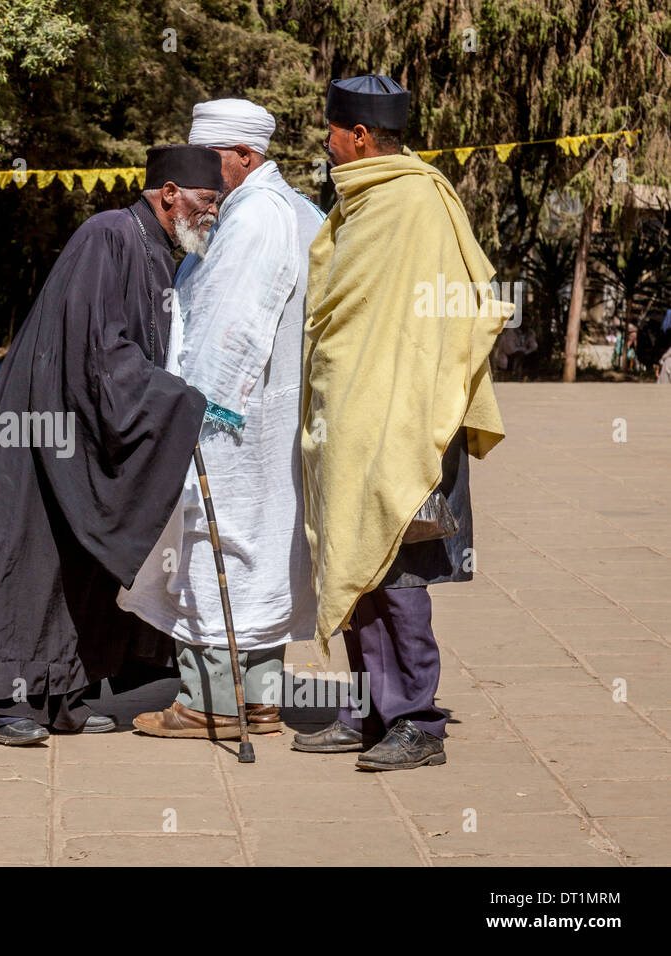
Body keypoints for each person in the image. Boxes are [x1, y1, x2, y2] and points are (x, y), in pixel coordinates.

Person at [0, 145, 223, 745]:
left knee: (78, 568)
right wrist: (175, 401)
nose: (213, 213)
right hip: (46, 427)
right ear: (169, 195)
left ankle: (63, 698)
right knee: (28, 560)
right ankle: (4, 705)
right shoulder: (108, 236)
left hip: (89, 429)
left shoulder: (159, 249)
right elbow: (98, 352)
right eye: (207, 202)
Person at [293, 75, 509, 770]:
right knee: (356, 567)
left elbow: (460, 307)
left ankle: (416, 721)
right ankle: (364, 712)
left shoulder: (416, 200)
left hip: (408, 417)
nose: (326, 146)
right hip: (353, 417)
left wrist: (409, 401)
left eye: (331, 133)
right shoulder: (359, 200)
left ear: (359, 135)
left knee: (401, 574)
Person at [120, 99, 323, 740]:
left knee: (217, 546)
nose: (205, 172)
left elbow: (228, 323)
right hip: (269, 413)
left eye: (212, 157)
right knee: (260, 550)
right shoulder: (292, 208)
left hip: (231, 417)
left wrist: (193, 405)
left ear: (243, 155)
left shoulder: (257, 215)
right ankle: (257, 700)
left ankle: (209, 703)